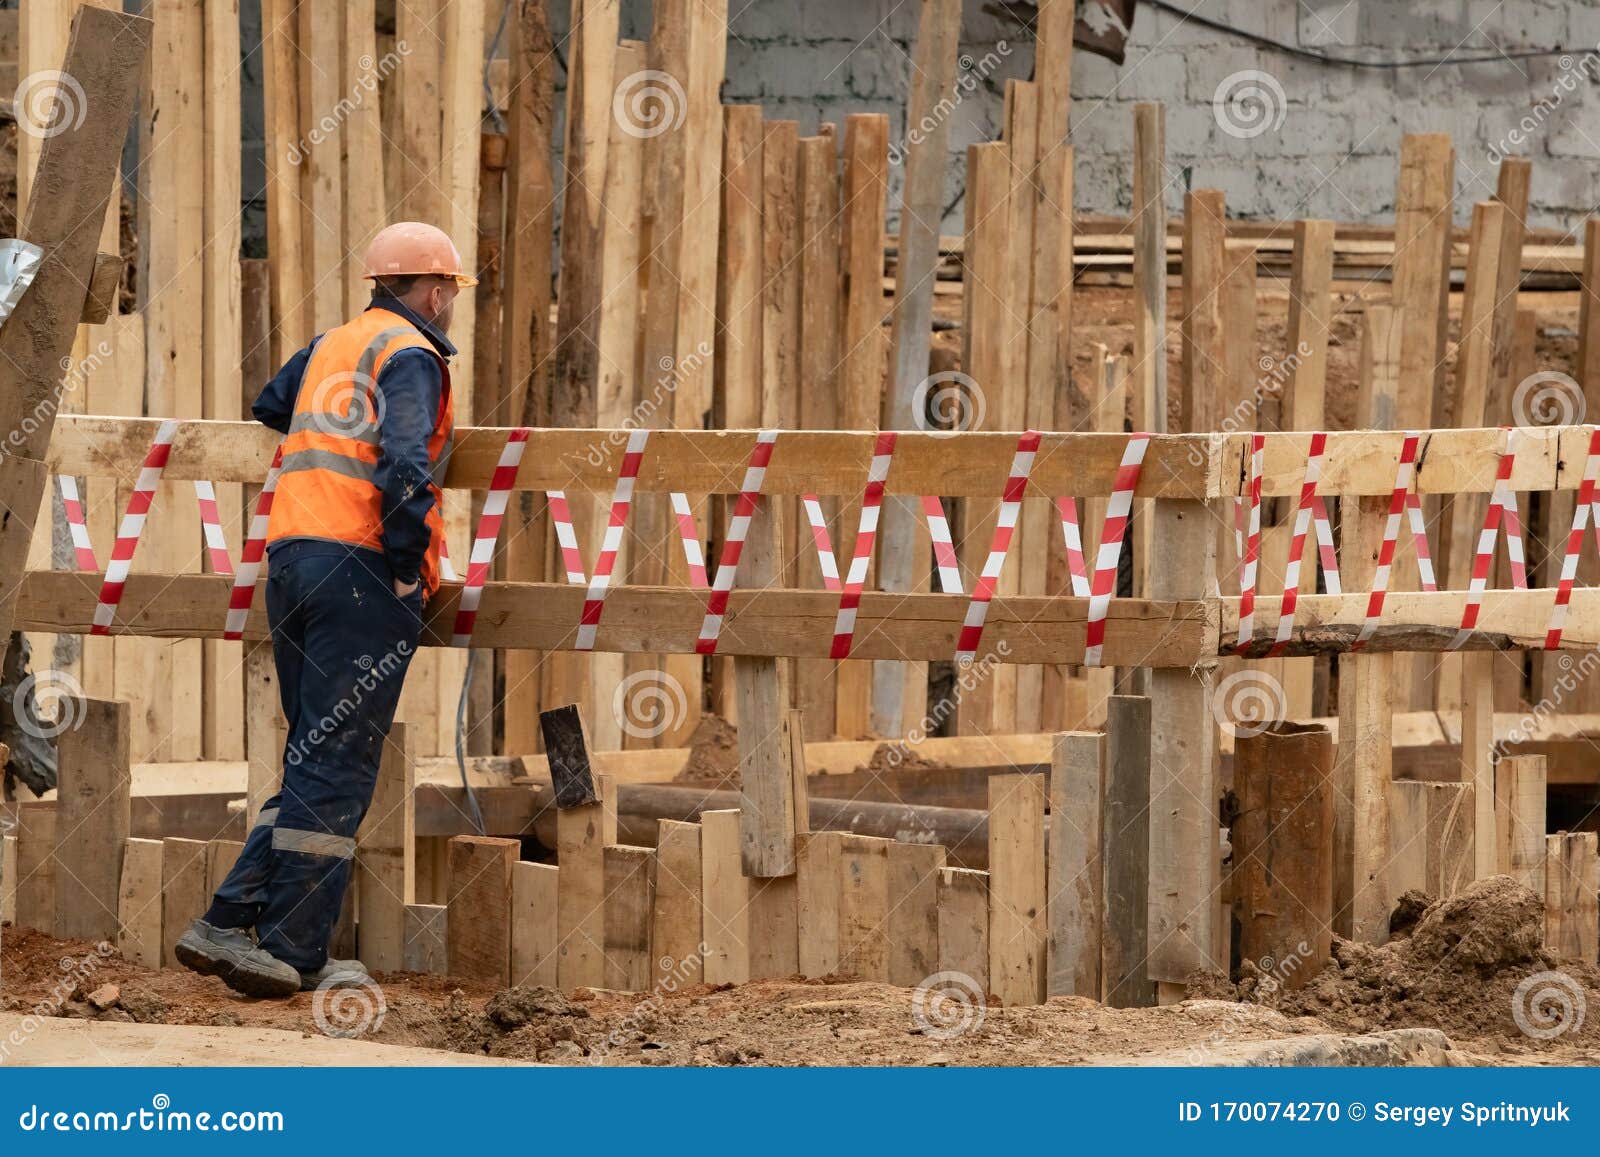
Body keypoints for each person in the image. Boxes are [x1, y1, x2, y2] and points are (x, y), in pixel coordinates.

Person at [174, 222, 476, 997]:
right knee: (335, 765)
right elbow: (406, 462)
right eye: (449, 293)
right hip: (362, 571)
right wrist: (408, 568)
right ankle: (279, 942)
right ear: (435, 291)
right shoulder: (413, 355)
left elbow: (272, 403)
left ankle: (257, 931)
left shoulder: (336, 344)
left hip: (293, 560)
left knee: (313, 753)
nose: (449, 306)